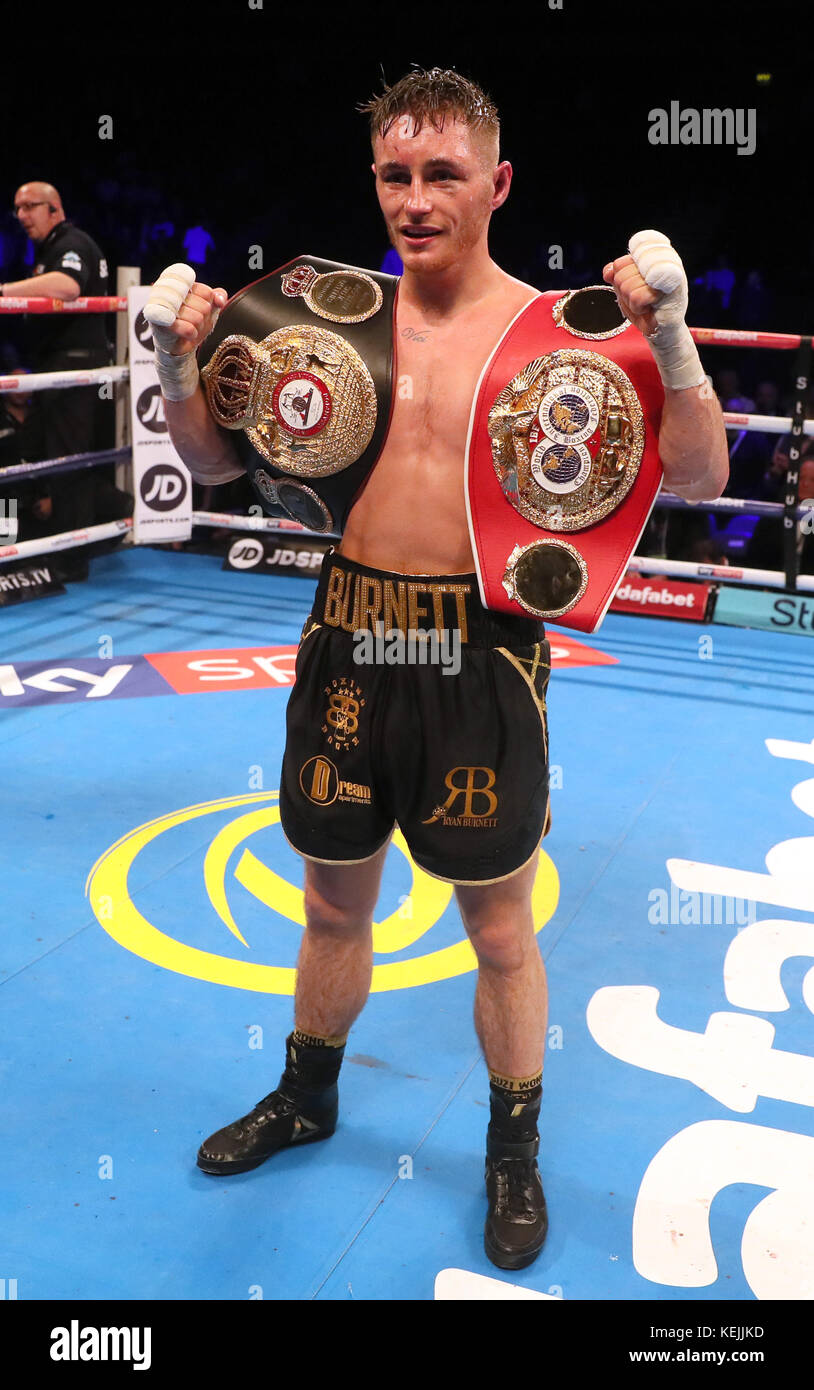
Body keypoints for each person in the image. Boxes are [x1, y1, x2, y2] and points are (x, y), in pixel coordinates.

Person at [145, 68, 729, 1271]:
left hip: (477, 648)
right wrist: (173, 359)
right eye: (395, 176)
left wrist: (668, 337)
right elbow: (205, 465)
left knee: (501, 929)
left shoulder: (556, 332)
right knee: (330, 898)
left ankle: (511, 1148)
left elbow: (706, 478)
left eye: (442, 175)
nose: (414, 200)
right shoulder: (326, 316)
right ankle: (307, 1095)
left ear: (496, 183)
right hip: (352, 629)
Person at [0, 181, 112, 577]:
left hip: (72, 368)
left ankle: (69, 557)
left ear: (55, 209)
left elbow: (67, 286)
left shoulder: (71, 242)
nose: (21, 215)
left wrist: (4, 291)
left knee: (67, 461)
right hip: (60, 366)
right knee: (55, 457)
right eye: (17, 208)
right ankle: (57, 548)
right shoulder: (52, 247)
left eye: (30, 206)